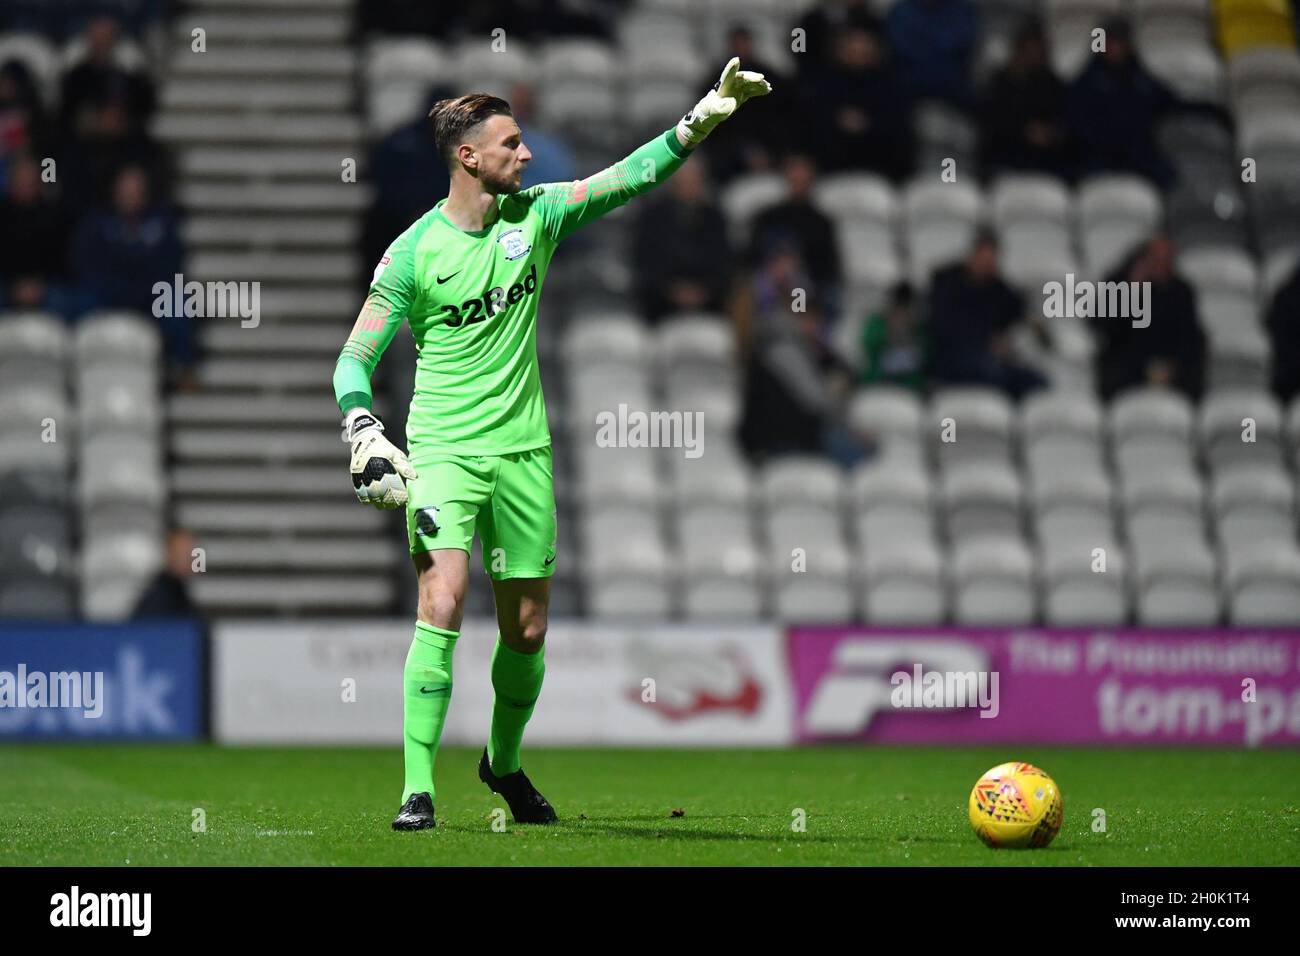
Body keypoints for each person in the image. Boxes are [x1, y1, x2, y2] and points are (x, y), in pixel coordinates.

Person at [332, 60, 771, 831]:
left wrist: (699, 121)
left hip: (524, 454)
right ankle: (416, 789)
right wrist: (362, 424)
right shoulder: (411, 253)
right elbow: (354, 356)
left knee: (527, 630)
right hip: (441, 452)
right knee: (441, 599)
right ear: (468, 156)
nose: (526, 155)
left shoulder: (535, 217)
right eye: (511, 144)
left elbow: (625, 180)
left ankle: (502, 763)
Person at [927, 229, 1047, 399]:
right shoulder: (946, 282)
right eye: (983, 259)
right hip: (952, 359)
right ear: (972, 255)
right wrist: (987, 343)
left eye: (990, 260)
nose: (986, 265)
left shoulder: (998, 288)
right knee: (993, 373)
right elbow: (943, 327)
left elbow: (1021, 311)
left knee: (1036, 382)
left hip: (988, 360)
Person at [1092, 234, 1205, 401]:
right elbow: (1107, 329)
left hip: (1169, 365)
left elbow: (1189, 336)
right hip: (1129, 364)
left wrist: (1174, 366)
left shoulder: (1181, 291)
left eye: (1165, 260)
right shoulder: (1118, 284)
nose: (1161, 265)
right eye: (1156, 260)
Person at [860, 281, 926, 391]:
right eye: (897, 310)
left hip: (910, 389)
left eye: (905, 311)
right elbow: (868, 346)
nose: (901, 317)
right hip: (877, 385)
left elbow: (927, 357)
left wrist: (911, 335)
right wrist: (888, 332)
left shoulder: (920, 330)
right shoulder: (876, 324)